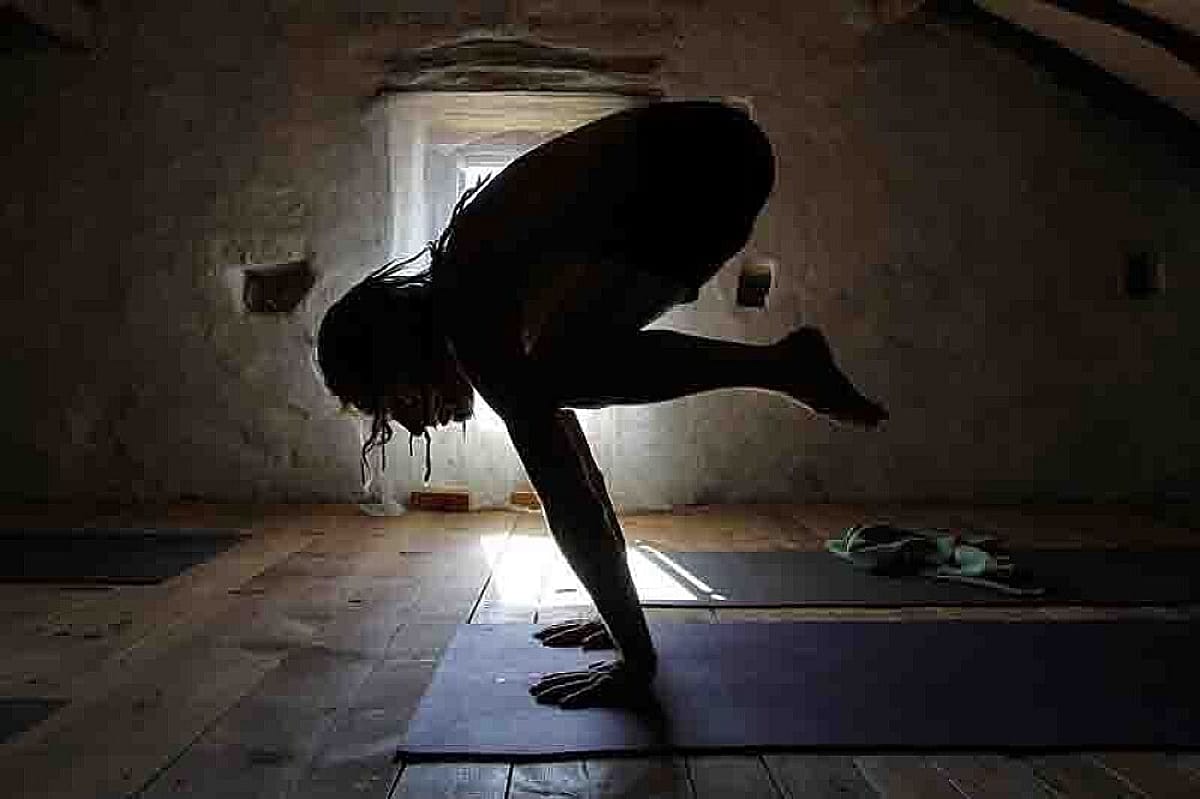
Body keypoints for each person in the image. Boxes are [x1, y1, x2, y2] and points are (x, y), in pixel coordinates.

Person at [316, 100, 887, 709]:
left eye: (395, 403)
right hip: (707, 156)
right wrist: (614, 618)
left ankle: (782, 365)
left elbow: (567, 500)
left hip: (700, 161)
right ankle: (781, 366)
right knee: (562, 372)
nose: (413, 422)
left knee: (559, 375)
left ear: (398, 354)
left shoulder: (473, 319)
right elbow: (580, 475)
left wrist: (636, 662)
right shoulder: (486, 296)